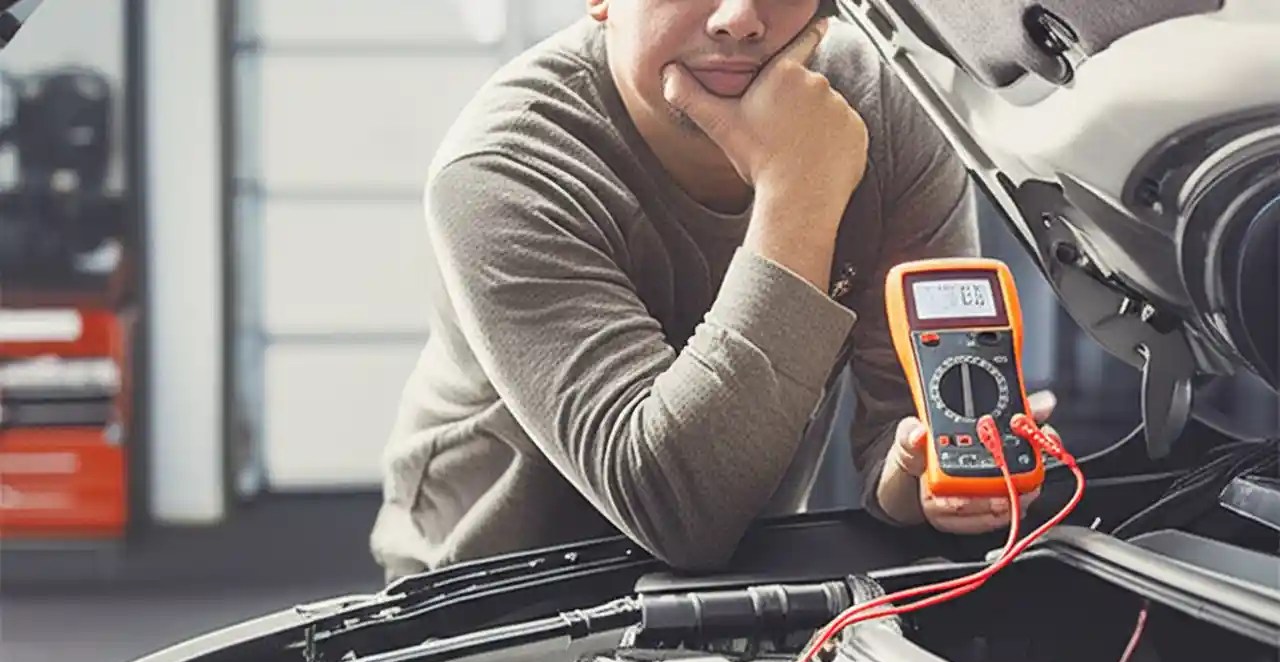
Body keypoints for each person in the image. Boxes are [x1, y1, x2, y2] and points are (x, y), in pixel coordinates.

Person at [370, 0, 1056, 582]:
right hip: (486, 597)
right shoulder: (503, 169)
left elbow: (907, 432)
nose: (739, 19)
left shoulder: (882, 107)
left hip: (736, 579)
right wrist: (799, 188)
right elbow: (678, 510)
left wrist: (926, 481)